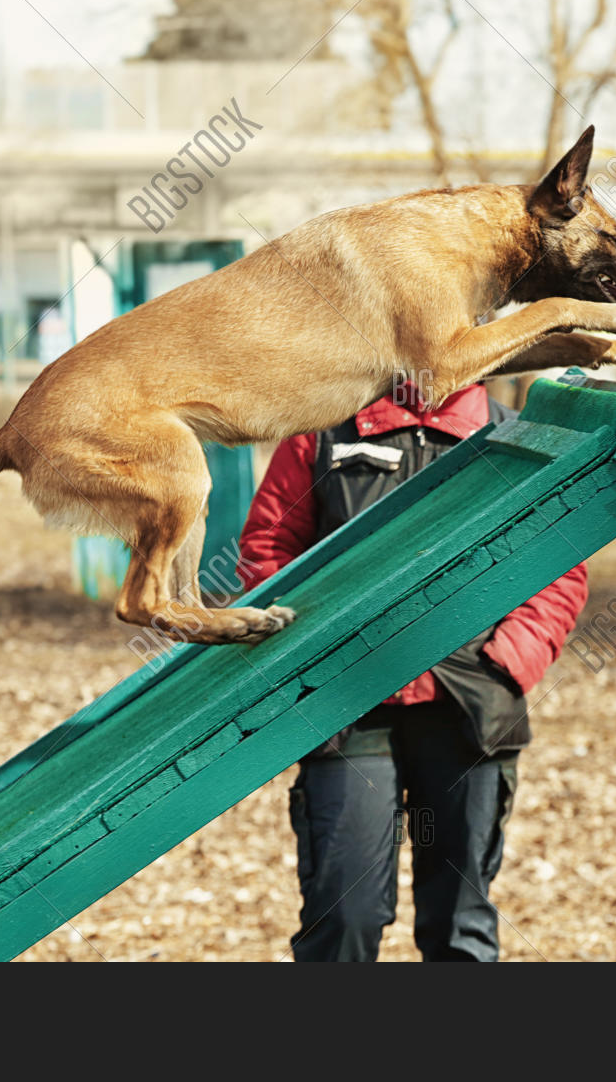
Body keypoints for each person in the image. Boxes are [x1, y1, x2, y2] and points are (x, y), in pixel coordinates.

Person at [237, 380, 588, 961]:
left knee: (460, 926)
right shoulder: (323, 431)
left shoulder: (515, 441)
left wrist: (505, 663)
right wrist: (312, 658)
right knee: (343, 918)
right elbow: (267, 548)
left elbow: (559, 565)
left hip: (470, 706)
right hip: (346, 707)